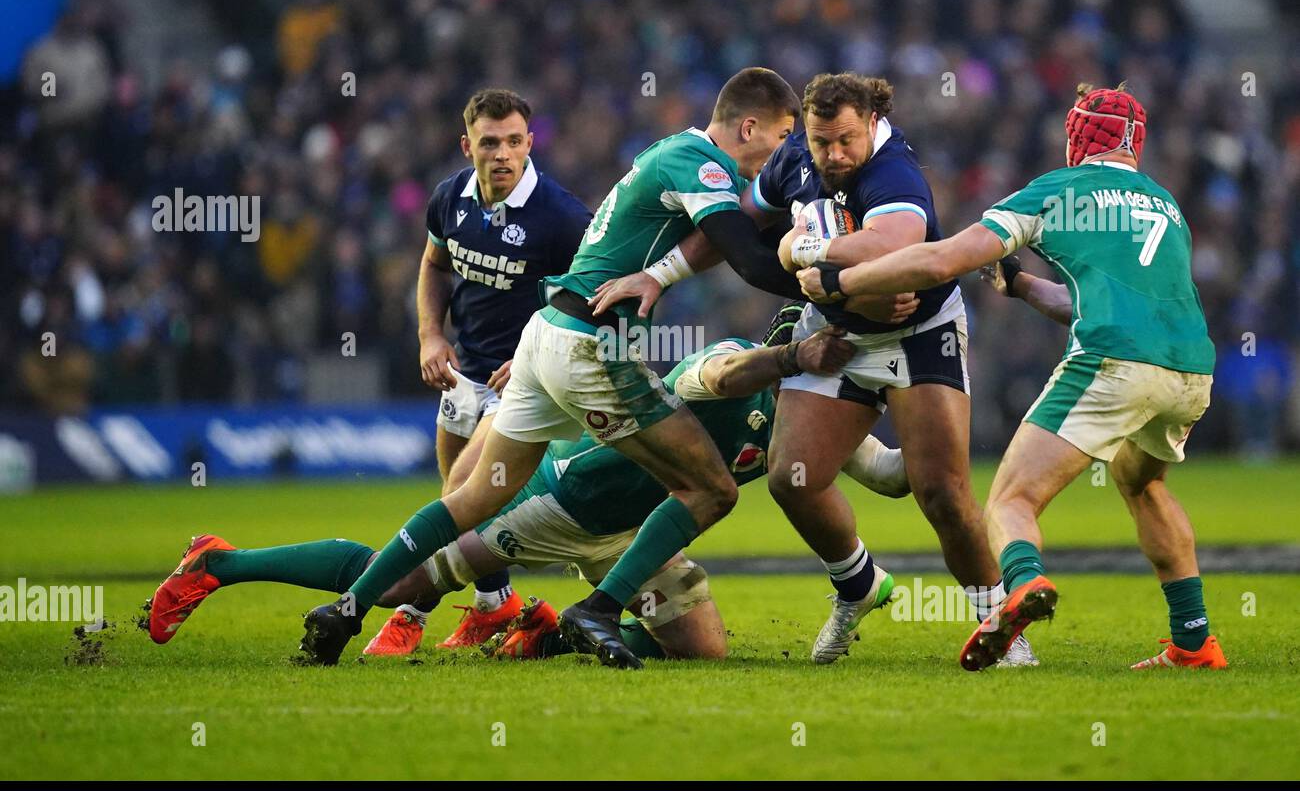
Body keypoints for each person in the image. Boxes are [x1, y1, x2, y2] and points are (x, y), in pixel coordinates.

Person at [296, 67, 814, 669]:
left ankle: (348, 609)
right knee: (712, 488)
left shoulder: (671, 153)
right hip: (592, 350)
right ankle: (597, 608)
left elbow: (722, 237)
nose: (777, 158)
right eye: (780, 138)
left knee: (469, 501)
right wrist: (833, 282)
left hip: (544, 338)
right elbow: (748, 260)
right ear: (748, 126)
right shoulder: (704, 167)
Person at [147, 322, 912, 663]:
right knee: (404, 583)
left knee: (704, 650)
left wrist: (928, 440)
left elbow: (885, 473)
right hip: (560, 504)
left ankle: (550, 635)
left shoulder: (813, 428)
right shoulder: (740, 363)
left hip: (631, 538)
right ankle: (220, 563)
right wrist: (781, 360)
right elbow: (704, 377)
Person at [797, 82, 1224, 672]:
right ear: (1136, 143)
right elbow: (1088, 304)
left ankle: (1023, 584)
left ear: (1074, 137)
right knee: (1143, 483)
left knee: (1011, 499)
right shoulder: (1166, 205)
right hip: (1191, 371)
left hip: (1113, 364)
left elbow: (941, 260)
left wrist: (840, 282)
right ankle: (1195, 642)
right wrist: (1020, 284)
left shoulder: (1057, 190)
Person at [758, 73, 1024, 665]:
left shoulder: (894, 172)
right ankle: (858, 586)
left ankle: (1001, 627)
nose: (833, 155)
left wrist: (798, 251)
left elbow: (891, 248)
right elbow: (748, 213)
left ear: (873, 124)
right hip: (835, 336)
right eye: (821, 140)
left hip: (919, 333)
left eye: (845, 140)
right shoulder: (795, 157)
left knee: (945, 498)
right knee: (792, 477)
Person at [366, 88, 590, 657]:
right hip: (465, 377)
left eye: (514, 141)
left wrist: (535, 356)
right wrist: (430, 334)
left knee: (460, 500)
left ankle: (410, 614)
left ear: (530, 144)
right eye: (489, 142)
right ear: (467, 145)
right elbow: (433, 263)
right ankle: (498, 606)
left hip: (526, 387)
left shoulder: (560, 217)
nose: (502, 154)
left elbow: (594, 295)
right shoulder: (448, 200)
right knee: (454, 497)